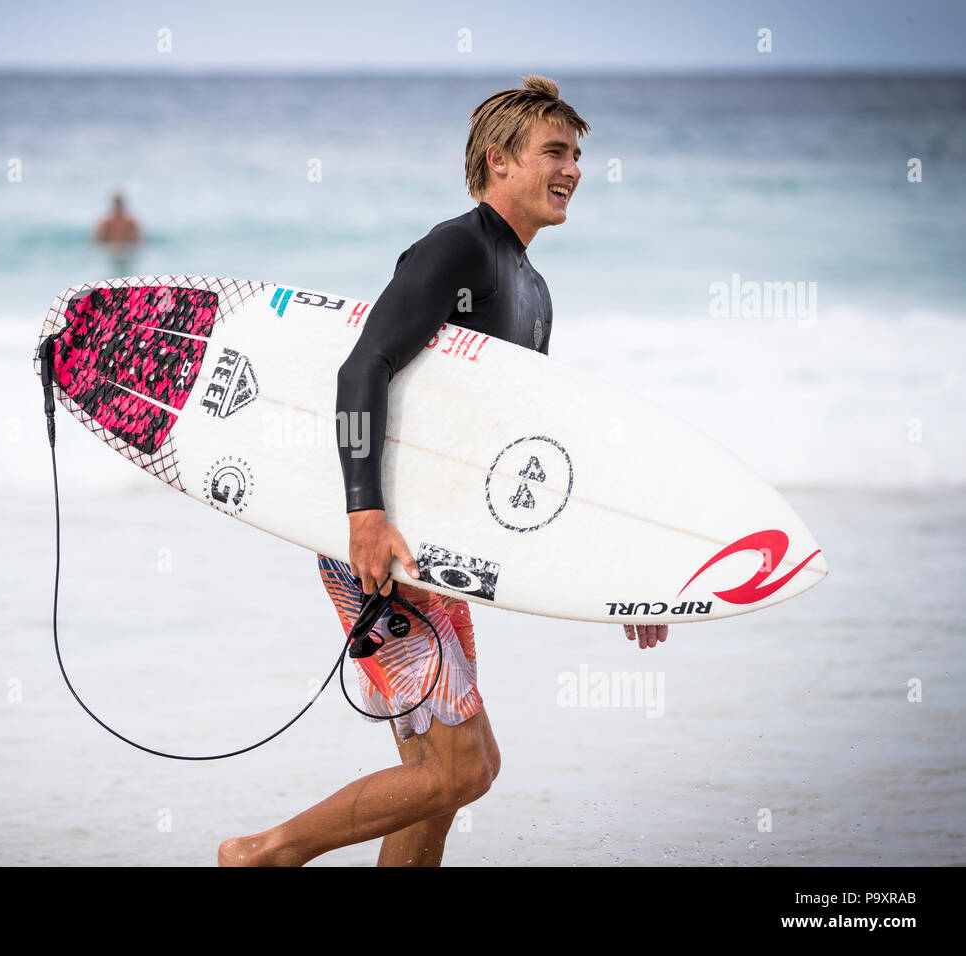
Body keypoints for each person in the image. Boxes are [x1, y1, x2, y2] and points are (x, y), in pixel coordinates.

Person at [218, 75, 669, 868]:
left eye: (578, 156)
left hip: (439, 552)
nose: (573, 170)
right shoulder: (456, 247)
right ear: (499, 161)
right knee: (463, 769)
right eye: (554, 153)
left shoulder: (533, 288)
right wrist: (364, 512)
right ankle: (263, 854)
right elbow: (362, 369)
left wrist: (616, 578)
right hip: (382, 541)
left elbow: (530, 454)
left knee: (448, 776)